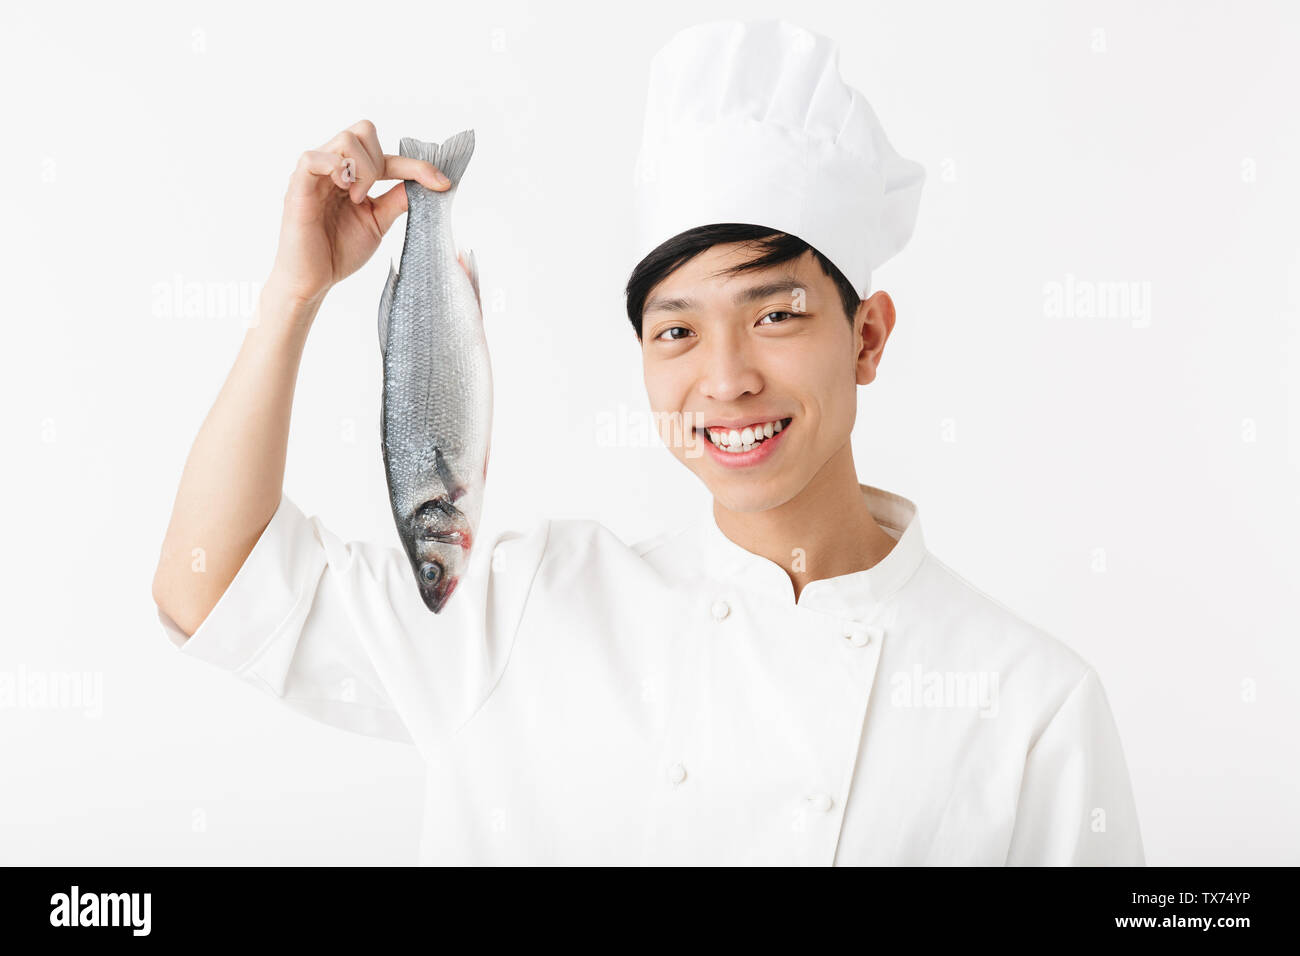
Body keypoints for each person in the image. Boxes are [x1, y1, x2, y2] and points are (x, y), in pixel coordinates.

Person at [151, 19, 1144, 865]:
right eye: (676, 329)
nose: (723, 377)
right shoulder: (523, 610)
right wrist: (294, 294)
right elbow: (212, 583)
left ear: (869, 336)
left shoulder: (1030, 706)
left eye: (775, 314)